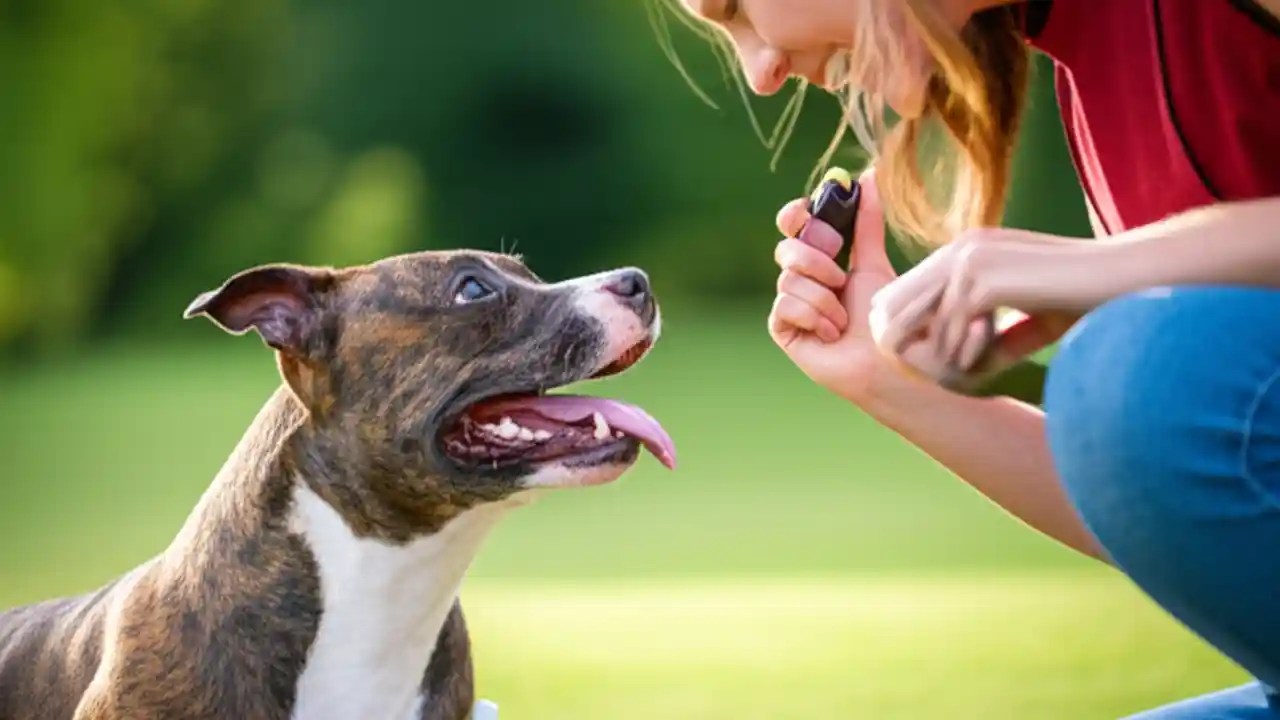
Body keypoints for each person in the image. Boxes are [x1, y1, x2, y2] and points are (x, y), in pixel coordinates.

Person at [674, 0, 1280, 716]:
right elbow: (1206, 514)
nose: (761, 73)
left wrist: (1107, 271)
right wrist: (887, 381)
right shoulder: (1089, 74)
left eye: (734, 7)